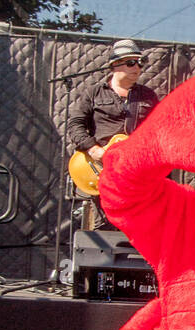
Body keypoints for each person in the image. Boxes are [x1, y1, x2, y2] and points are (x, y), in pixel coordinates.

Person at [67, 39, 158, 227]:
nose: (137, 68)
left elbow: (159, 131)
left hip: (135, 172)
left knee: (138, 226)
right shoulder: (94, 93)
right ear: (114, 65)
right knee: (106, 225)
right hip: (101, 168)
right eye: (131, 62)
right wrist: (93, 150)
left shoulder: (148, 96)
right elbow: (75, 124)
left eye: (140, 63)